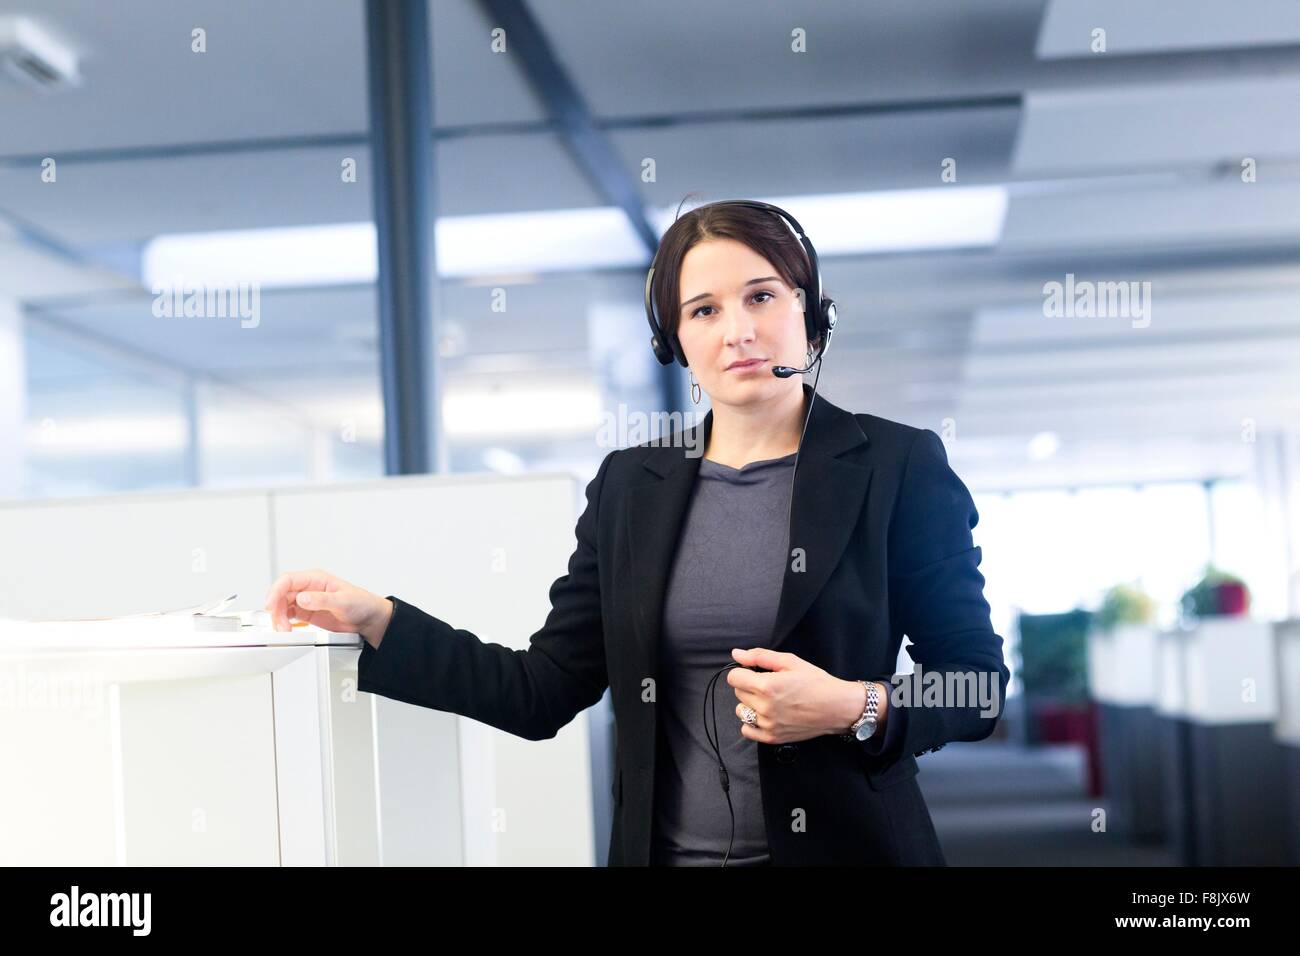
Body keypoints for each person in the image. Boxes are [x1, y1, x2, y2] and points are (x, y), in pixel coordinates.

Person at [264, 199, 1010, 866]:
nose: (739, 331)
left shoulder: (895, 466)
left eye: (762, 296)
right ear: (674, 341)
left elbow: (975, 683)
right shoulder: (632, 486)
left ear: (811, 313)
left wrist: (854, 706)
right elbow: (541, 690)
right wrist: (381, 621)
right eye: (704, 311)